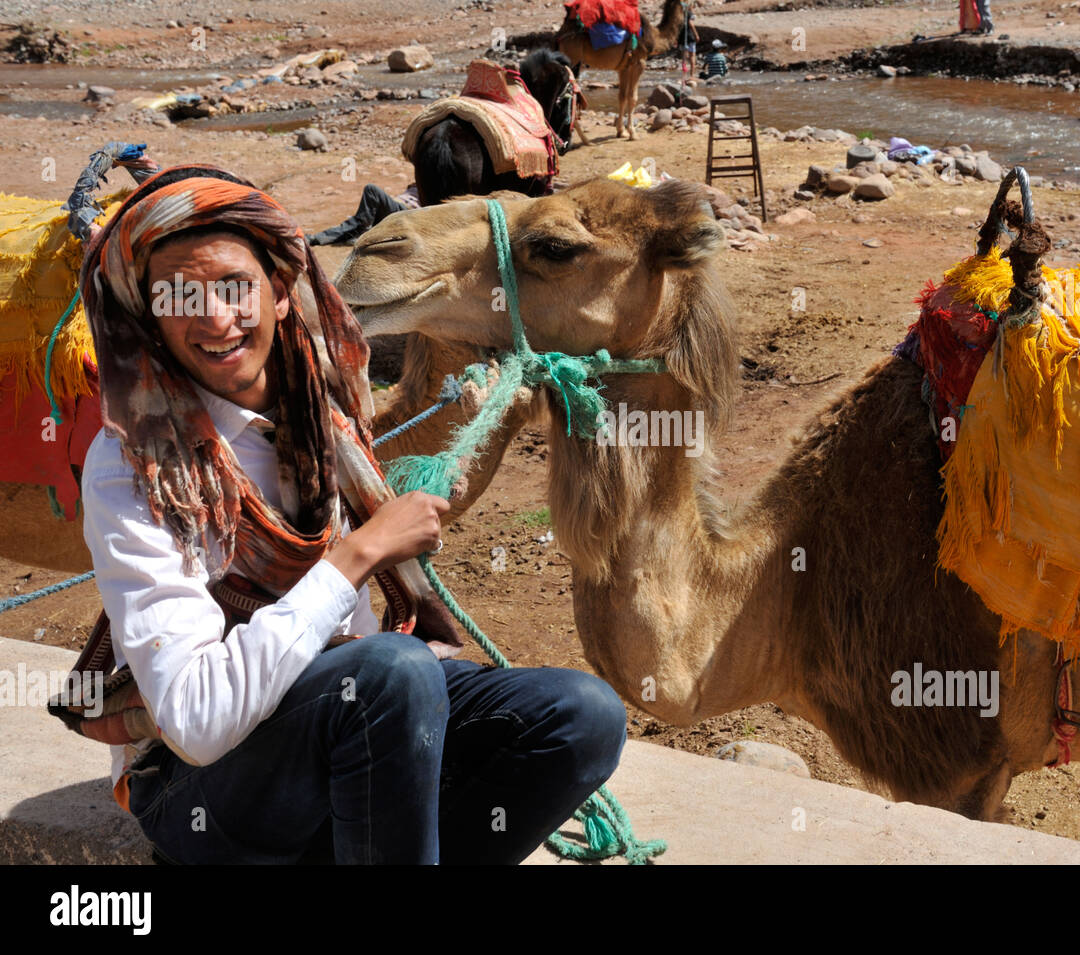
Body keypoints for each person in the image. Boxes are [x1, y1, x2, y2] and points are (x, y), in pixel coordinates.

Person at [75, 164, 628, 864]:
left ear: (279, 291)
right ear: (149, 314)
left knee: (583, 716)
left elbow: (354, 645)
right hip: (200, 783)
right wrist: (357, 555)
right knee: (393, 673)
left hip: (326, 717)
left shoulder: (322, 404)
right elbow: (194, 719)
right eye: (178, 296)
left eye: (231, 286)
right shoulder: (136, 463)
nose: (213, 318)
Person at [308, 182, 419, 246]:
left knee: (371, 190)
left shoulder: (432, 188)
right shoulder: (420, 179)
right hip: (393, 208)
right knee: (356, 223)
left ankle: (363, 231)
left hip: (405, 212)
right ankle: (315, 239)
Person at [681, 3, 700, 78]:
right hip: (690, 37)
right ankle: (692, 75)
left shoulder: (680, 15)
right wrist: (696, 35)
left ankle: (684, 75)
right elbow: (691, 24)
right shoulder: (690, 14)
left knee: (684, 57)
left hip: (682, 38)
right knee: (692, 56)